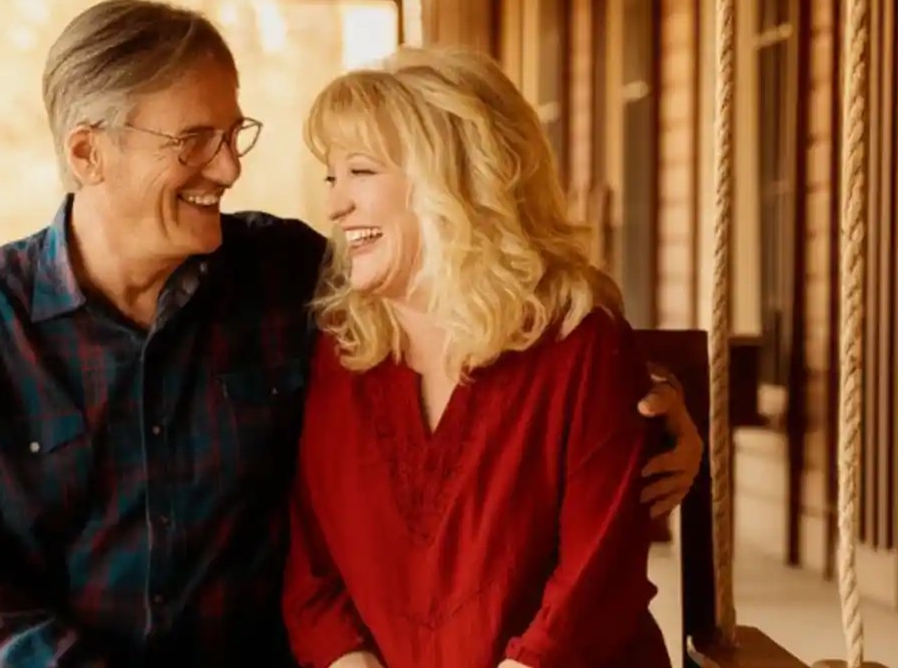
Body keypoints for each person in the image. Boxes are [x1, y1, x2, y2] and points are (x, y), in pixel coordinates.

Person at [0, 0, 701, 667]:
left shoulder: (290, 279)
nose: (228, 169)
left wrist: (652, 406)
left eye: (232, 134)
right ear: (87, 153)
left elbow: (467, 303)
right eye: (194, 142)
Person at [281, 46, 673, 668]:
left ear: (454, 177)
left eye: (360, 172)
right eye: (333, 178)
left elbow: (596, 587)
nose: (334, 206)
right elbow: (312, 573)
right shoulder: (343, 355)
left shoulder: (582, 347)